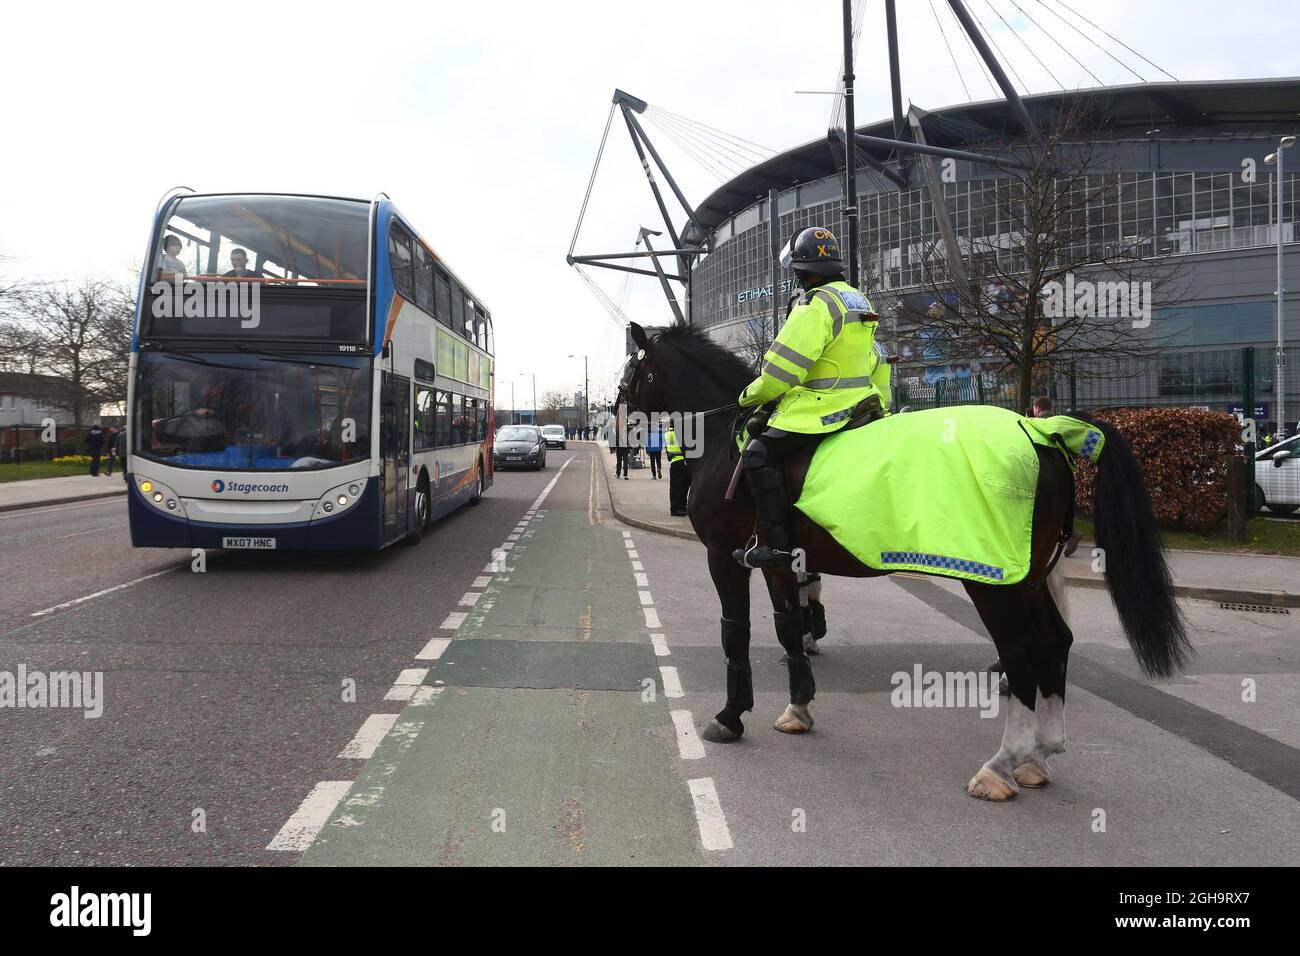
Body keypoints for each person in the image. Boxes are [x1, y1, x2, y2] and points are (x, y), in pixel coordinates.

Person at [733, 226, 889, 569]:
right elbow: (876, 357)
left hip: (825, 406)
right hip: (863, 401)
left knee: (758, 453)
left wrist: (747, 396)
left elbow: (780, 375)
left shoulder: (815, 306)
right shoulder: (857, 299)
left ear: (800, 272)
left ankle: (775, 546)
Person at [666, 419, 689, 516]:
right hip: (677, 461)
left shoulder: (671, 433)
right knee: (678, 487)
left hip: (680, 461)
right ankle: (675, 509)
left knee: (683, 486)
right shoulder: (672, 433)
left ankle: (682, 506)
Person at [610, 406, 631, 480]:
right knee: (625, 461)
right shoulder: (626, 425)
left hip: (619, 445)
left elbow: (613, 435)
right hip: (625, 445)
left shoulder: (616, 426)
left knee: (619, 461)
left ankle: (618, 474)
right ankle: (625, 475)